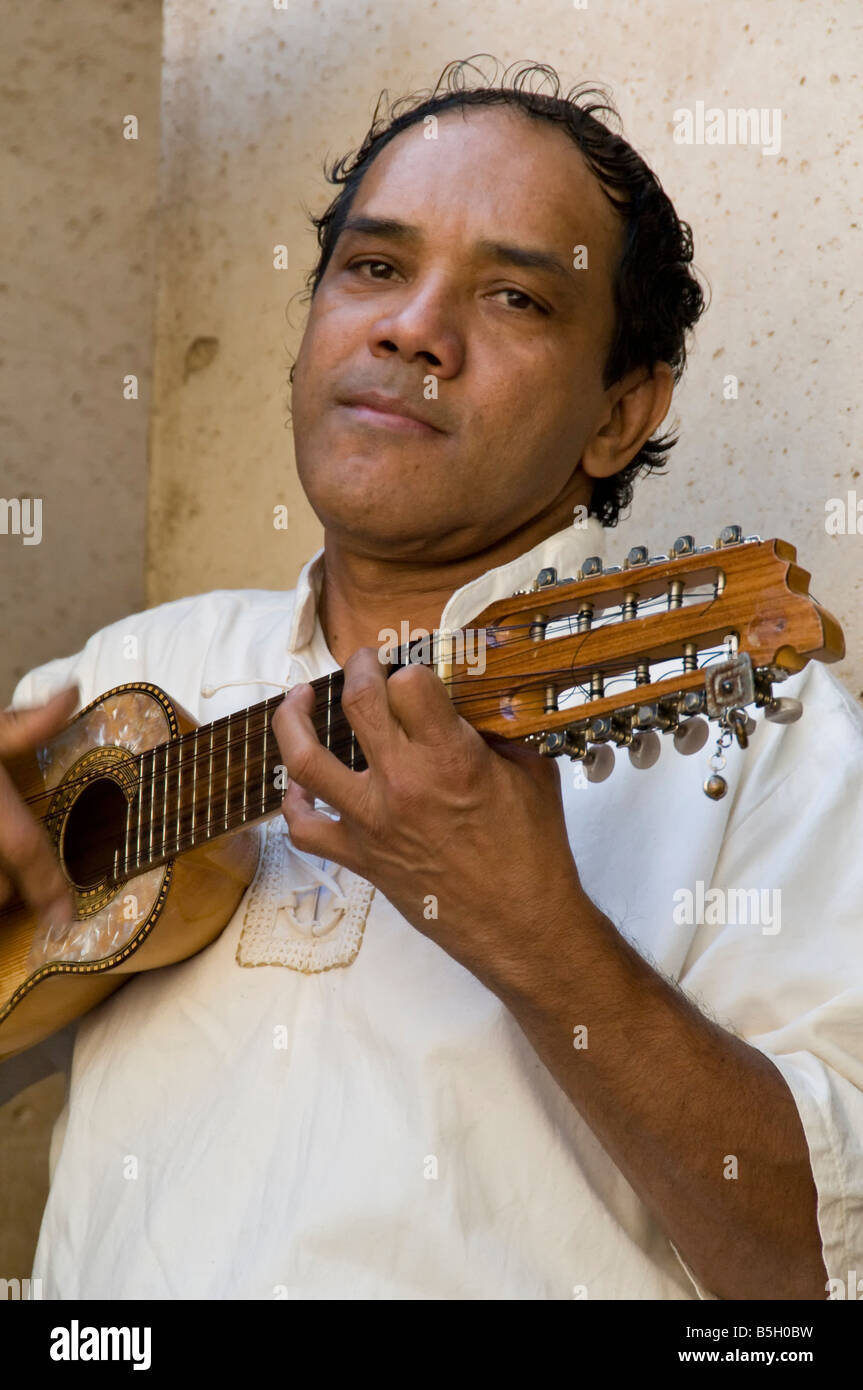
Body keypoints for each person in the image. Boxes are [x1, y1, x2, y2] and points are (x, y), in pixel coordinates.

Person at [2, 59, 862, 1302]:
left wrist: (539, 939)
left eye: (513, 294)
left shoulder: (773, 743)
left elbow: (813, 1271)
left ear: (621, 414)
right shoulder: (130, 671)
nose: (411, 328)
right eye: (374, 267)